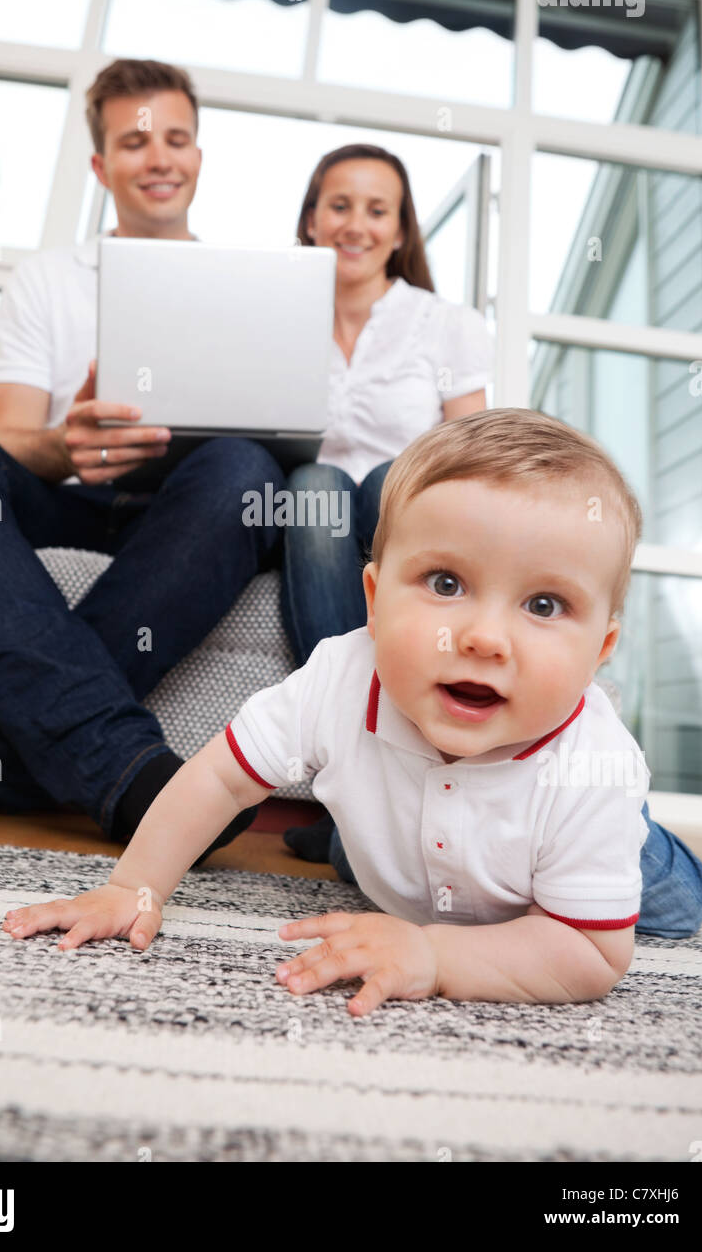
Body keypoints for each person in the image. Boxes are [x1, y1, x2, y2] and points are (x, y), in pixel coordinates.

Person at [2, 410, 702, 1012]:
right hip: (407, 847)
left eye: (544, 605)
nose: (484, 638)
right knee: (363, 849)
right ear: (372, 599)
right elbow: (220, 777)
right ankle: (352, 834)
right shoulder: (343, 675)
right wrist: (136, 886)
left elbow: (588, 953)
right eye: (446, 581)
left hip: (580, 848)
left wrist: (434, 955)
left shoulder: (595, 767)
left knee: (673, 906)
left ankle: (643, 853)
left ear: (601, 649)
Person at [0, 58, 283, 854]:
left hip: (187, 518)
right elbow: (5, 439)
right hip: (68, 503)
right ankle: (117, 761)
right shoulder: (46, 280)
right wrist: (66, 443)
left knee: (245, 471)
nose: (158, 157)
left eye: (177, 139)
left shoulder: (250, 289)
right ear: (102, 166)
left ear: (199, 157)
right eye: (133, 142)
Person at [279, 144, 491, 865]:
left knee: (380, 481)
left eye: (377, 211)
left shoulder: (443, 323)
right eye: (339, 206)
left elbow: (472, 449)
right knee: (316, 486)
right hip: (307, 518)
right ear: (311, 220)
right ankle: (356, 796)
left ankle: (363, 808)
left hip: (404, 514)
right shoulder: (271, 313)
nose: (355, 225)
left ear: (400, 232)